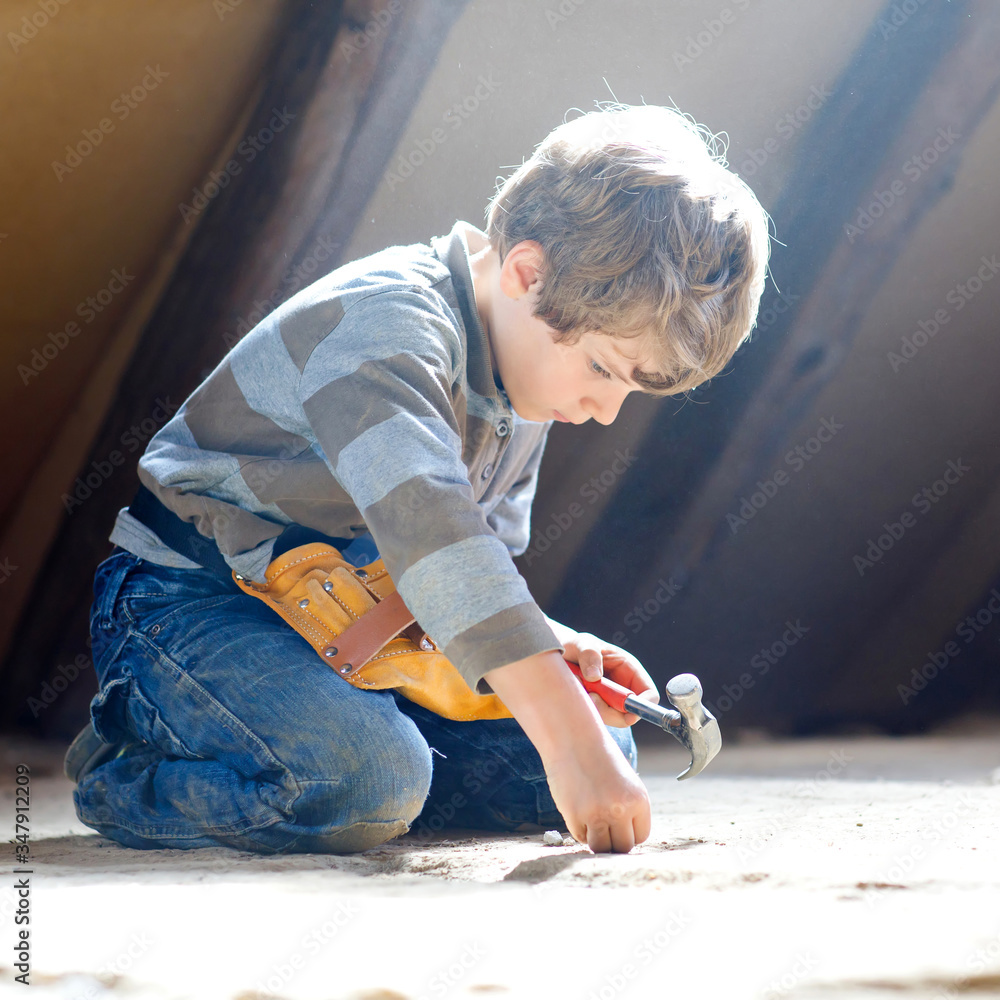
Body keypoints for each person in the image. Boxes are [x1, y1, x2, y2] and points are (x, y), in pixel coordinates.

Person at [66, 103, 769, 855]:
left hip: (351, 622)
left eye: (631, 388)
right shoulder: (387, 329)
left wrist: (552, 653)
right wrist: (563, 731)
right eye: (602, 368)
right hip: (190, 601)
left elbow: (464, 579)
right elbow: (438, 538)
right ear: (528, 275)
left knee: (595, 756)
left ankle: (338, 764)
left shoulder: (523, 377)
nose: (603, 410)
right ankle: (127, 771)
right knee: (372, 783)